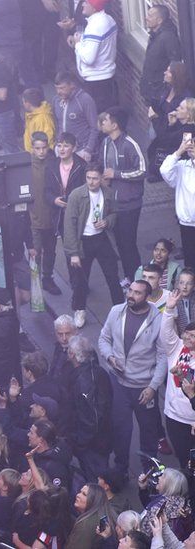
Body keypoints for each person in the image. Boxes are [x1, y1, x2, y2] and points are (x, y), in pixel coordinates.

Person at [98, 279, 167, 477]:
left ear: (147, 296)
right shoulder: (116, 311)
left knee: (148, 431)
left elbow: (163, 356)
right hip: (118, 383)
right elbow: (104, 339)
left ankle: (150, 471)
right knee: (120, 429)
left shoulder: (158, 320)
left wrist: (153, 387)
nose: (131, 295)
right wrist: (110, 357)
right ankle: (121, 470)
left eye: (137, 293)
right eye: (130, 290)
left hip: (144, 387)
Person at [63, 164, 123, 328]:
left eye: (95, 178)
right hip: (84, 241)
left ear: (102, 178)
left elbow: (114, 213)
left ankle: (120, 309)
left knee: (112, 276)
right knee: (81, 280)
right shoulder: (76, 195)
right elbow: (69, 224)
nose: (91, 182)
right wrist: (73, 252)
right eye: (88, 178)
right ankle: (79, 309)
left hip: (101, 239)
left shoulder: (108, 193)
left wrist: (106, 222)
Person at [99, 108, 147, 280]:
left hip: (129, 205)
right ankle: (129, 277)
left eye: (105, 120)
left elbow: (142, 171)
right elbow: (102, 166)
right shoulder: (105, 143)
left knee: (128, 244)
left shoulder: (130, 144)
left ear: (115, 124)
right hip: (113, 203)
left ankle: (137, 280)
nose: (102, 122)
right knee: (119, 243)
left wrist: (116, 174)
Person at [66, 335, 113, 480]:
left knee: (95, 481)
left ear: (72, 354)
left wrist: (80, 441)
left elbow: (91, 417)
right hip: (101, 439)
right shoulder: (99, 372)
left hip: (92, 444)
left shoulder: (82, 381)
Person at [159, 289, 195, 472]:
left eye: (193, 336)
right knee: (183, 460)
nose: (187, 338)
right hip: (174, 416)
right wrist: (170, 309)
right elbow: (165, 333)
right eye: (186, 334)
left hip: (192, 420)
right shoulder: (177, 347)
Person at [69, 0, 117, 113]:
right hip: (106, 75)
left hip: (96, 80)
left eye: (87, 2)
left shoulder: (95, 27)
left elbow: (88, 58)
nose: (83, 4)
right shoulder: (109, 19)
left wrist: (77, 44)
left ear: (94, 8)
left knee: (98, 115)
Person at [28, 133, 61, 295]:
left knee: (50, 251)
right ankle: (36, 284)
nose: (41, 152)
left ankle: (47, 278)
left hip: (51, 216)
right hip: (34, 217)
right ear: (32, 148)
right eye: (37, 148)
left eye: (44, 148)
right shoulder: (26, 166)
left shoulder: (54, 163)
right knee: (36, 251)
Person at [47, 132, 88, 242]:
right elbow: (46, 190)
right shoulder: (51, 166)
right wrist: (54, 200)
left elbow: (87, 191)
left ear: (74, 148)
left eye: (66, 146)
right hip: (61, 214)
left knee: (81, 248)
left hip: (78, 213)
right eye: (59, 145)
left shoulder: (82, 166)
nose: (62, 149)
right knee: (69, 249)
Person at [141, 5, 183, 109]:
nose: (146, 18)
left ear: (159, 20)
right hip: (152, 92)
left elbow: (175, 65)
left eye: (150, 16)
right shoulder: (155, 36)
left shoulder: (168, 38)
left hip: (159, 95)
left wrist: (164, 92)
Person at [162, 132, 195, 266]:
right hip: (187, 224)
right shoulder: (182, 166)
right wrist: (179, 151)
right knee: (190, 262)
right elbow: (165, 170)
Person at [50, 73, 99, 161]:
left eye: (62, 88)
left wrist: (88, 149)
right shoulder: (56, 100)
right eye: (56, 88)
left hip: (81, 150)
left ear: (72, 85)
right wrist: (56, 144)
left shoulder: (85, 100)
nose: (58, 92)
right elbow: (56, 124)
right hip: (62, 150)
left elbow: (95, 127)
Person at [25, 419, 72, 489]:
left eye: (31, 433)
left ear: (41, 440)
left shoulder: (55, 467)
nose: (28, 434)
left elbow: (57, 495)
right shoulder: (36, 455)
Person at [67, 484, 113, 549]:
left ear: (93, 500)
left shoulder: (86, 524)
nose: (78, 495)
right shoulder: (98, 517)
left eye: (84, 494)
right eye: (80, 492)